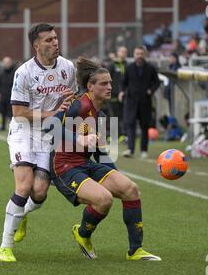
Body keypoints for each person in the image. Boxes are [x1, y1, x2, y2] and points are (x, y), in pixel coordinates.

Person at [50, 57, 161, 261]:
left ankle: (135, 250)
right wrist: (79, 139)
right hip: (64, 166)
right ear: (90, 87)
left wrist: (117, 176)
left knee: (131, 189)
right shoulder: (77, 105)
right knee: (104, 199)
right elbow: (50, 127)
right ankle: (82, 234)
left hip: (85, 163)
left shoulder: (100, 115)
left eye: (110, 82)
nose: (110, 87)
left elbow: (100, 153)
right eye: (104, 84)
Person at [0, 23, 77, 262]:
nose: (55, 43)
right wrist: (52, 114)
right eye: (49, 40)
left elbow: (70, 99)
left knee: (40, 193)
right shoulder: (24, 72)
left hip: (48, 136)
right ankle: (5, 246)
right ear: (36, 45)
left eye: (55, 38)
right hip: (23, 132)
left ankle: (22, 214)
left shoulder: (68, 68)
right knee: (24, 186)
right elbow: (18, 112)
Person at [119, 46, 160, 159]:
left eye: (141, 54)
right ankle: (130, 149)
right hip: (131, 102)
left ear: (145, 54)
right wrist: (121, 92)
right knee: (130, 125)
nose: (139, 56)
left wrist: (151, 90)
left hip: (145, 102)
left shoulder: (150, 68)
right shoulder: (129, 68)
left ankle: (144, 150)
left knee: (144, 127)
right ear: (134, 54)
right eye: (137, 54)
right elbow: (123, 82)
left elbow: (156, 82)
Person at [105, 46, 128, 138]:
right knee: (113, 115)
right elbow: (106, 78)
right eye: (122, 51)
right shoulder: (112, 65)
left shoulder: (127, 65)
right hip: (113, 94)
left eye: (125, 52)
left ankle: (123, 135)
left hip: (125, 94)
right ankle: (114, 135)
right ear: (118, 53)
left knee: (123, 115)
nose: (124, 53)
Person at [0, 56, 16, 131]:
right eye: (4, 63)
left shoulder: (14, 73)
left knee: (11, 113)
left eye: (7, 62)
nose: (6, 64)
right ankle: (3, 126)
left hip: (12, 96)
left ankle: (12, 127)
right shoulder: (2, 73)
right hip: (3, 95)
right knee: (2, 111)